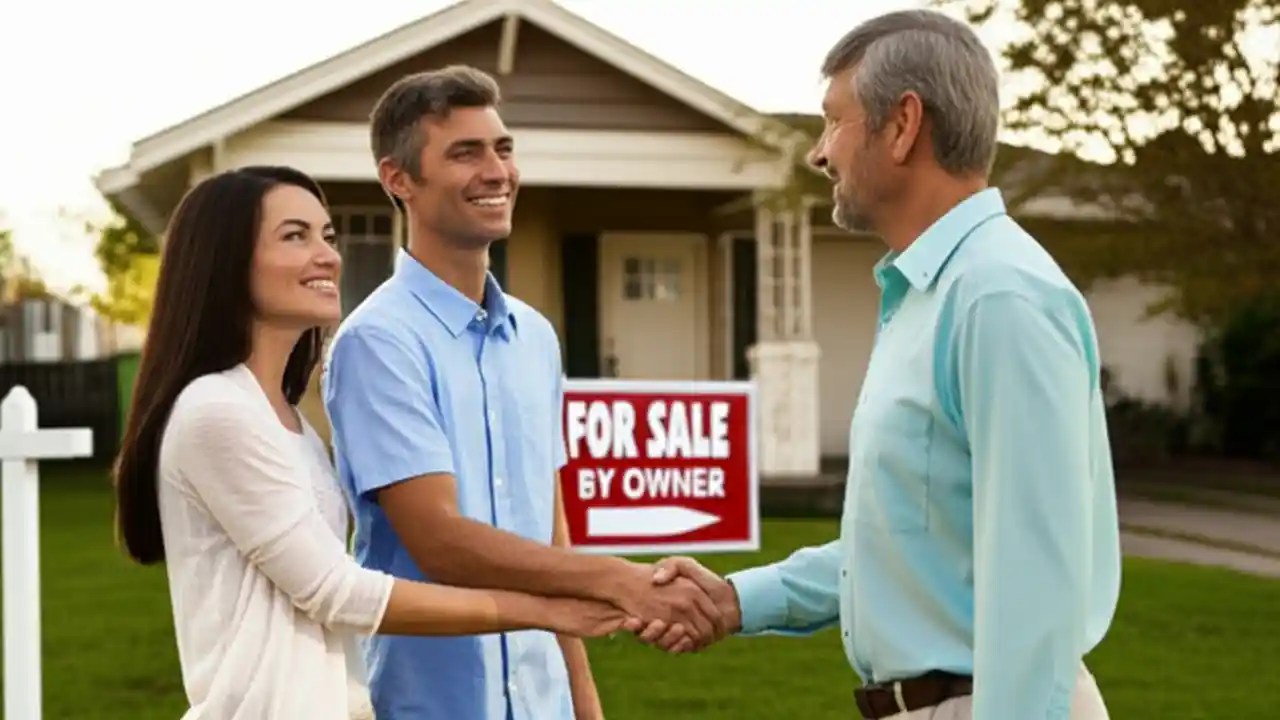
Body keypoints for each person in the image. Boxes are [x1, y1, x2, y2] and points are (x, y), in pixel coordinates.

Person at [641, 10, 1121, 720]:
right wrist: (736, 599)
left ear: (901, 125)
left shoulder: (998, 297)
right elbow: (909, 549)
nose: (819, 153)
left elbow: (1035, 591)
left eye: (833, 121)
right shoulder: (931, 294)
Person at [111, 165, 633, 720]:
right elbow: (337, 592)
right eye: (295, 236)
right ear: (226, 262)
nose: (327, 255)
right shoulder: (217, 412)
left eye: (327, 236)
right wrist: (540, 609)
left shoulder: (288, 421)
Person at [320, 64, 716, 720]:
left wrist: (583, 701)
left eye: (503, 148)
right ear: (399, 180)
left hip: (543, 704)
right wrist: (623, 581)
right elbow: (439, 540)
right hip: (431, 705)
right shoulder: (378, 343)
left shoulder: (535, 337)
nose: (497, 171)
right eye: (465, 152)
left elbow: (549, 530)